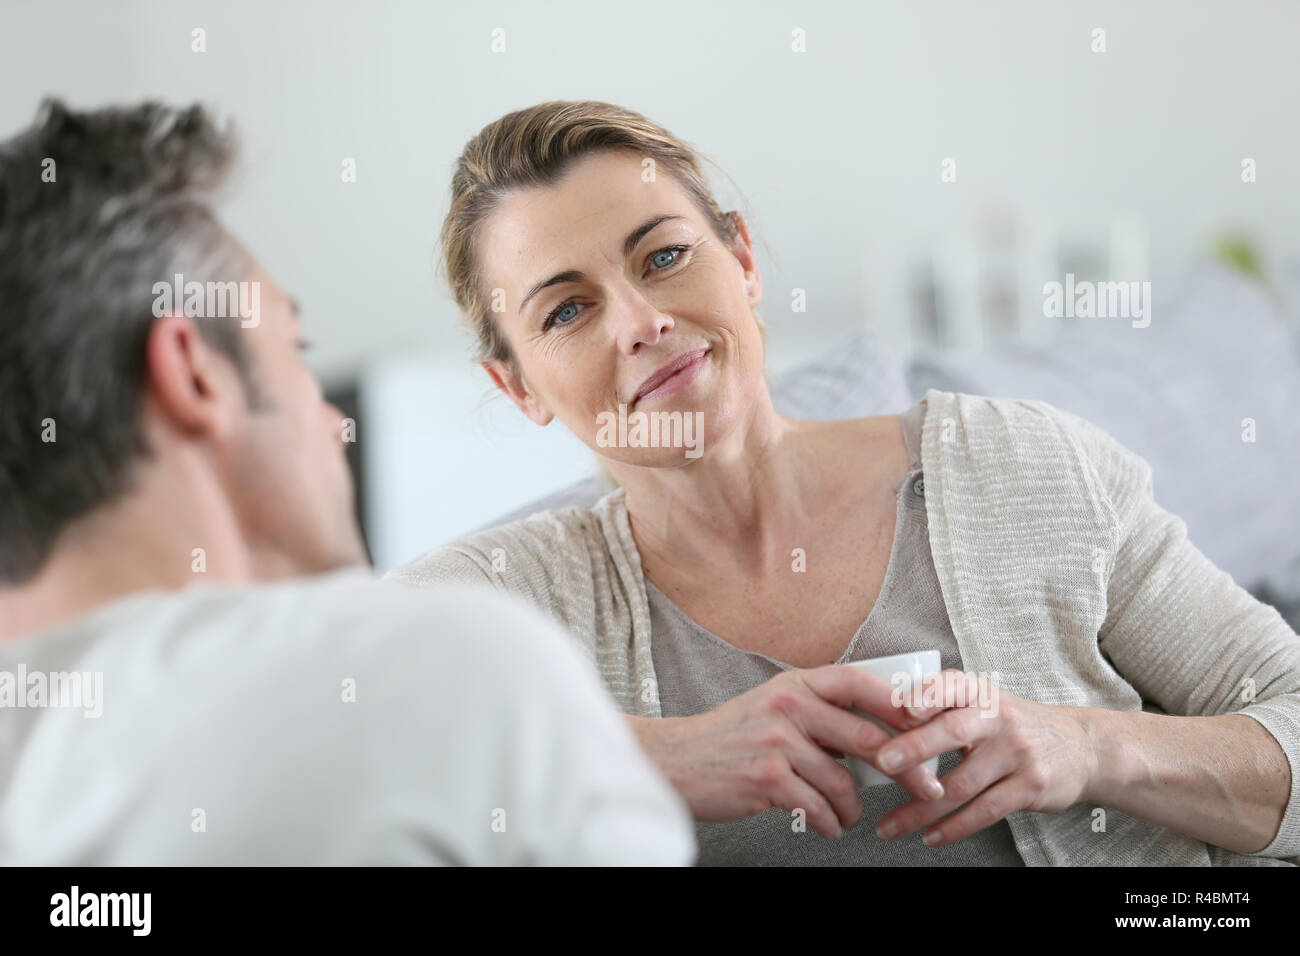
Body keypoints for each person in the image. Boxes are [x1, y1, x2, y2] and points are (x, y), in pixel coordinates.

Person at [389, 99, 1300, 866]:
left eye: (663, 256)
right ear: (517, 388)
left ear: (741, 259)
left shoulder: (1023, 469)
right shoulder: (521, 597)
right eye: (568, 309)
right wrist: (664, 756)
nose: (641, 321)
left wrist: (1093, 747)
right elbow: (306, 741)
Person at [0, 98, 696, 866]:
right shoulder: (441, 673)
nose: (335, 425)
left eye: (665, 257)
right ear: (195, 374)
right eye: (293, 351)